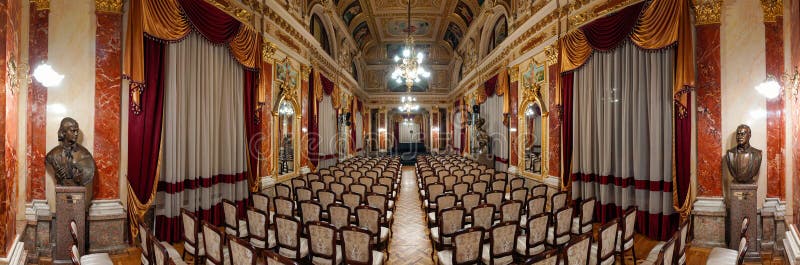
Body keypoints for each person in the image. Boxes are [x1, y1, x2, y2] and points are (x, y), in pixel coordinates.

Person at [46, 117, 96, 187]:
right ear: (63, 132)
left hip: (78, 191)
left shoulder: (84, 154)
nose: (76, 134)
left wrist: (80, 176)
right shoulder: (52, 155)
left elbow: (88, 172)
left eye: (77, 131)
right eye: (72, 131)